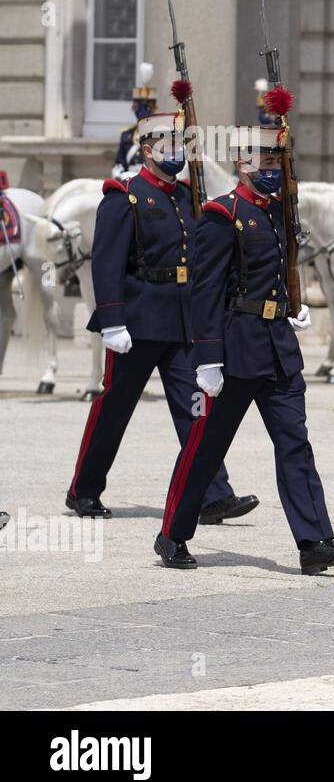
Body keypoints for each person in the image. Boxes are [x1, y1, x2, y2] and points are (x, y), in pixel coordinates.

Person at [154, 123, 334, 574]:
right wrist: (207, 357)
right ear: (242, 164)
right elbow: (205, 291)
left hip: (278, 347)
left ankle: (314, 542)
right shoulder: (220, 214)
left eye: (277, 164)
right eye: (265, 164)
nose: (272, 172)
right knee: (207, 446)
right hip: (234, 350)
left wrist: (291, 306)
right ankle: (172, 532)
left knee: (295, 443)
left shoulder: (276, 213)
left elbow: (278, 270)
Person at [67, 110, 255, 524]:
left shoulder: (188, 196)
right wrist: (111, 319)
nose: (176, 154)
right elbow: (107, 261)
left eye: (181, 145)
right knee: (116, 407)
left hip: (183, 319)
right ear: (148, 150)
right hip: (137, 321)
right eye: (168, 146)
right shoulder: (125, 194)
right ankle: (84, 489)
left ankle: (212, 493)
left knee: (196, 409)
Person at [112, 63, 158, 180]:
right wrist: (120, 174)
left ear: (154, 109)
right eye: (139, 105)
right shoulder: (126, 135)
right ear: (133, 108)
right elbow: (119, 163)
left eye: (147, 106)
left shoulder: (160, 135)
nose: (143, 109)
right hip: (129, 182)